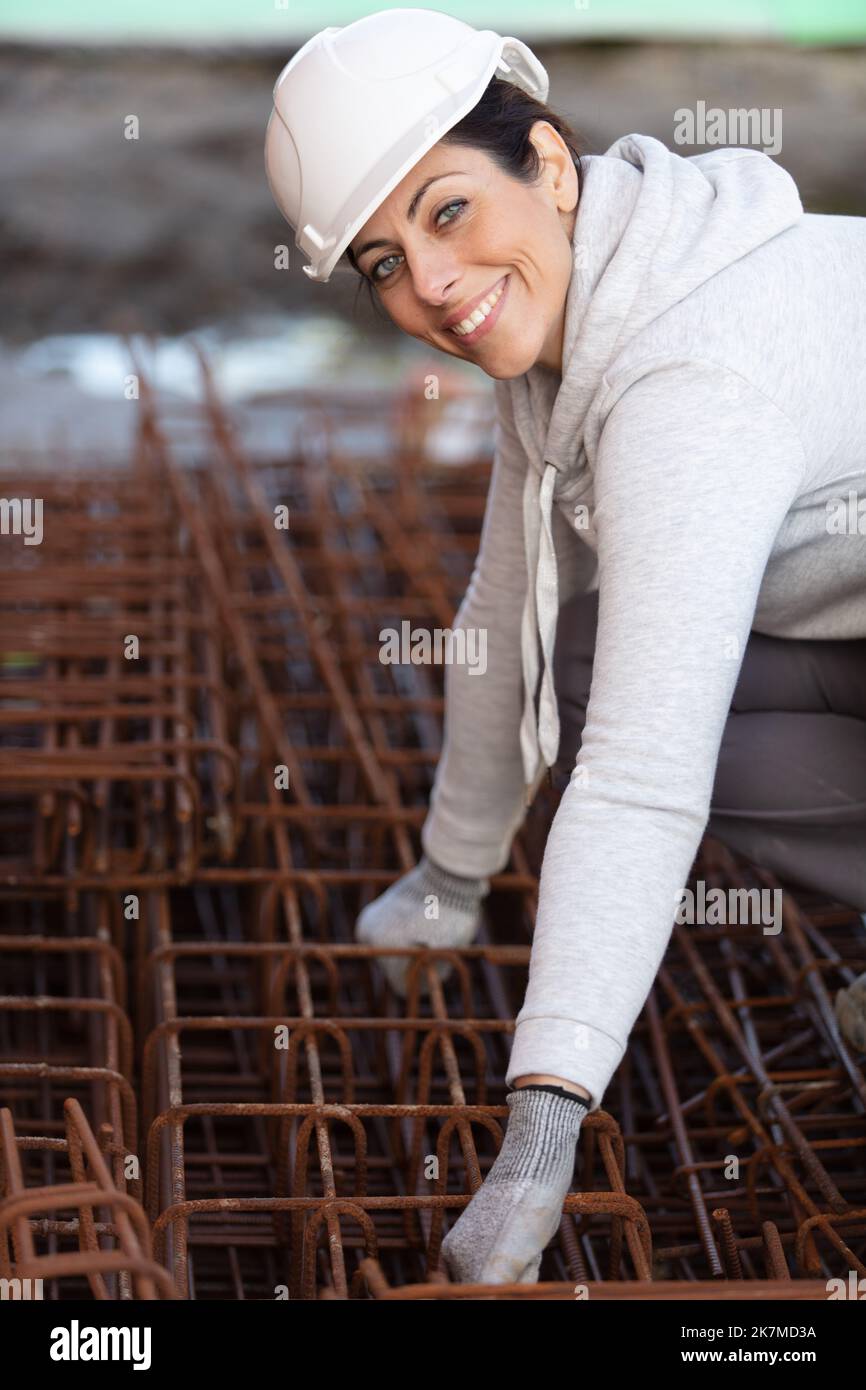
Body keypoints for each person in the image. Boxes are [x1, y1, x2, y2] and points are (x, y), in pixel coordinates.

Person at [265, 7, 866, 1285]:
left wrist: (538, 1134)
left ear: (544, 160)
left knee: (642, 716)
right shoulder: (588, 312)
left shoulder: (688, 379)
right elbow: (507, 612)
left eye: (444, 213)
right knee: (584, 658)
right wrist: (451, 874)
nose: (426, 286)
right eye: (379, 263)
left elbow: (648, 775)